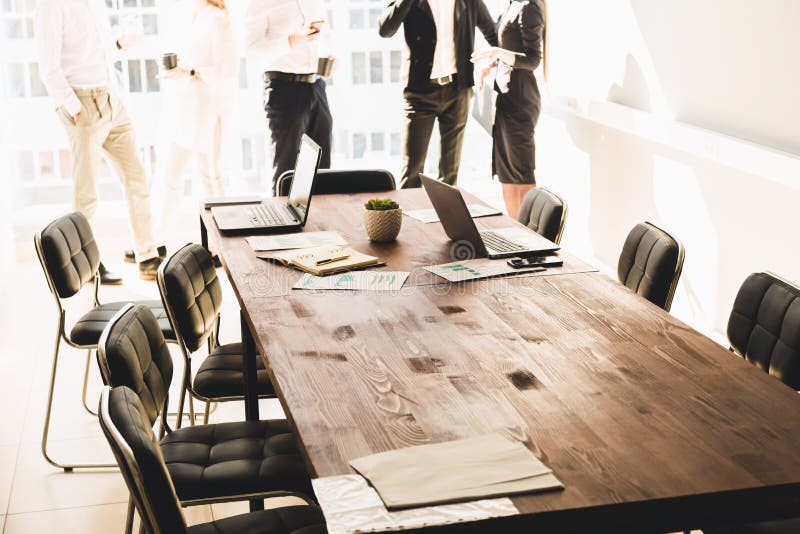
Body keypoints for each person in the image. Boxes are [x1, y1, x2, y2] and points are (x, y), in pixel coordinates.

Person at [34, 0, 163, 281]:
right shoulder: (51, 5)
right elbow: (48, 67)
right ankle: (88, 266)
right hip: (82, 103)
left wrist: (119, 45)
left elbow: (98, 52)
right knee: (87, 193)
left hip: (110, 98)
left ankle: (146, 255)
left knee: (136, 177)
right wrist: (73, 106)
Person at [133, 0, 237, 260]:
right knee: (170, 174)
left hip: (207, 107)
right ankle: (155, 240)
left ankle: (219, 246)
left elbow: (227, 70)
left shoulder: (219, 18)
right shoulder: (186, 14)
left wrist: (189, 71)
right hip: (182, 107)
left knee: (209, 176)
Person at [379, 0, 498, 189]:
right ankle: (411, 218)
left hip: (458, 90)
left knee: (450, 175)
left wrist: (508, 61)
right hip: (419, 93)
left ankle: (444, 218)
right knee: (412, 170)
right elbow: (385, 30)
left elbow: (492, 32)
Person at [244, 0, 333, 195]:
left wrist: (329, 51)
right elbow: (250, 49)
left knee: (322, 170)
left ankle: (323, 224)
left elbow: (323, 34)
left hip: (316, 85)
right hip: (283, 88)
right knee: (287, 171)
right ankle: (282, 224)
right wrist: (291, 41)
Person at [472, 0, 545, 218]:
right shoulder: (510, 5)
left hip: (521, 101)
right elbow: (512, 49)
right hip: (504, 98)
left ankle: (531, 241)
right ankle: (515, 235)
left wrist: (497, 53)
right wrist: (491, 64)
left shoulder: (529, 6)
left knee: (521, 173)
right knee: (506, 174)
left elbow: (533, 59)